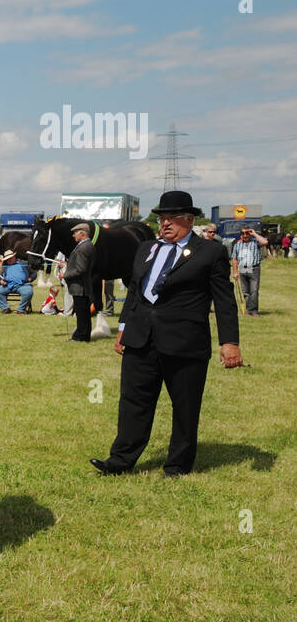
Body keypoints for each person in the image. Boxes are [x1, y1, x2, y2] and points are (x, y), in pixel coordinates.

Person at [91, 191, 241, 478]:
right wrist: (123, 328)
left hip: (184, 342)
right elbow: (135, 290)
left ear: (190, 219)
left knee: (185, 406)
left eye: (172, 218)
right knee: (133, 402)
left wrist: (229, 342)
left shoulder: (210, 252)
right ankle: (120, 460)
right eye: (162, 218)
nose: (166, 224)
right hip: (140, 338)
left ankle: (177, 465)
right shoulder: (147, 248)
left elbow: (224, 301)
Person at [63, 224, 95, 341]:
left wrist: (65, 274)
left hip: (79, 286)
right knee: (85, 313)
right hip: (83, 285)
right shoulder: (88, 245)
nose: (73, 235)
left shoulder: (83, 248)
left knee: (82, 313)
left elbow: (81, 269)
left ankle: (79, 336)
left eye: (75, 232)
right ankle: (85, 335)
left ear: (82, 233)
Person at [230, 224, 268, 317]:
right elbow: (234, 259)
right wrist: (235, 271)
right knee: (245, 291)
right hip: (243, 268)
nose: (245, 235)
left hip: (254, 268)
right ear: (241, 234)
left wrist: (254, 233)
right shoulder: (237, 245)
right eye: (243, 233)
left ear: (250, 234)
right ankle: (248, 310)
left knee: (254, 290)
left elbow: (265, 242)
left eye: (247, 233)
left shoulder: (255, 242)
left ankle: (254, 311)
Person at [0, 249, 34, 313]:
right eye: (7, 259)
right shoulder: (5, 267)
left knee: (28, 292)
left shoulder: (23, 263)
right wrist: (1, 282)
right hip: (8, 286)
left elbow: (34, 273)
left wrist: (30, 279)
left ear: (14, 257)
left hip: (22, 285)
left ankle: (21, 310)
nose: (9, 260)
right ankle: (5, 308)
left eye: (10, 258)